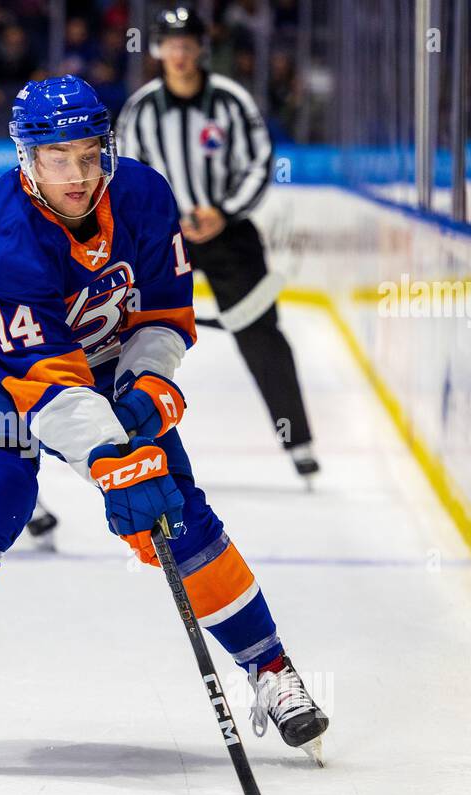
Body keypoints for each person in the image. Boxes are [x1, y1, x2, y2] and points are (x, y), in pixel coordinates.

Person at [0, 76, 329, 776]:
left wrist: (150, 389)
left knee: (176, 511)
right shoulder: (6, 238)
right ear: (27, 158)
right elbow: (47, 385)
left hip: (99, 360)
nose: (79, 175)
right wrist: (113, 457)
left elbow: (161, 317)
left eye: (90, 154)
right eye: (59, 158)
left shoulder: (145, 195)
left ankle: (271, 669)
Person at [117, 6, 319, 481]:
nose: (180, 54)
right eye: (172, 45)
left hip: (229, 236)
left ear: (200, 49)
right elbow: (128, 175)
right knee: (137, 334)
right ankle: (126, 437)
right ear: (158, 50)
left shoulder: (231, 101)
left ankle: (298, 441)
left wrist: (223, 212)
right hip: (165, 240)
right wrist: (165, 221)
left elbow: (259, 161)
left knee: (260, 331)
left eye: (188, 45)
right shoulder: (142, 109)